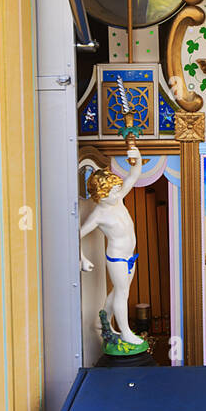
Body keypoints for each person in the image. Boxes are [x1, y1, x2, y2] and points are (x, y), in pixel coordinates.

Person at [79, 147, 146, 352]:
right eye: (113, 191)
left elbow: (134, 176)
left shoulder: (117, 198)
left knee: (119, 291)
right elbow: (76, 235)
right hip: (117, 258)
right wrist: (81, 258)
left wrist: (137, 158)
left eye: (118, 188)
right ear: (101, 195)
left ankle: (103, 319)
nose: (119, 192)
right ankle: (125, 331)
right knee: (122, 294)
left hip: (130, 257)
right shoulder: (99, 215)